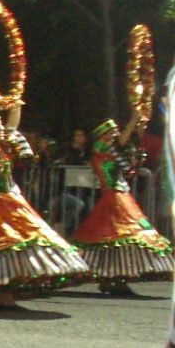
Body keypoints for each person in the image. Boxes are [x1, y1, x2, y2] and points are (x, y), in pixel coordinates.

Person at [0, 98, 90, 307]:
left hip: (12, 199)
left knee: (18, 243)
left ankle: (6, 291)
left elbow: (13, 122)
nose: (1, 128)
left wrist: (17, 98)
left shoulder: (6, 147)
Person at [69, 115, 172, 294]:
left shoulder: (111, 151)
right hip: (114, 197)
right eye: (112, 132)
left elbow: (129, 161)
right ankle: (116, 279)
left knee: (115, 241)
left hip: (119, 195)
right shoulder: (99, 149)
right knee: (125, 236)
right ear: (103, 136)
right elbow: (122, 142)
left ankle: (113, 278)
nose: (116, 134)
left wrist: (139, 129)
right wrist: (133, 120)